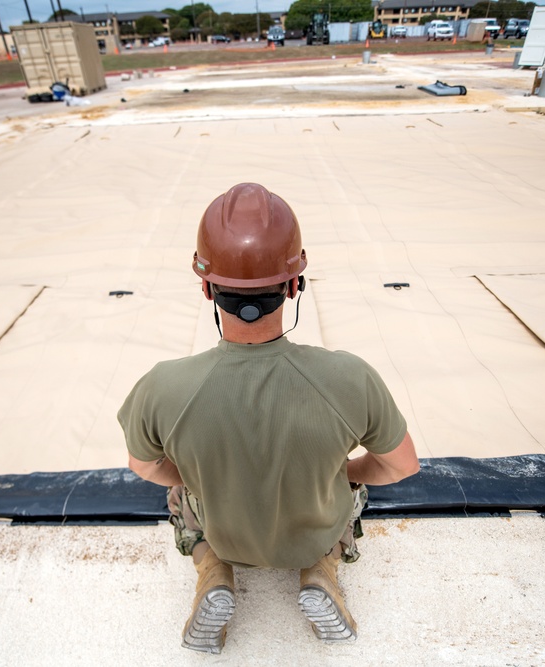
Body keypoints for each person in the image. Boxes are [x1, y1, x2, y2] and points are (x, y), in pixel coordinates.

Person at [118, 183, 420, 654]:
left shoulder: (162, 387)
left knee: (179, 498)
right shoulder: (350, 377)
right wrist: (346, 472)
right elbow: (401, 466)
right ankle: (320, 570)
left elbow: (145, 467)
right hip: (310, 530)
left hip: (226, 533)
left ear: (205, 287)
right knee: (353, 492)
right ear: (295, 283)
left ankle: (213, 571)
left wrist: (200, 477)